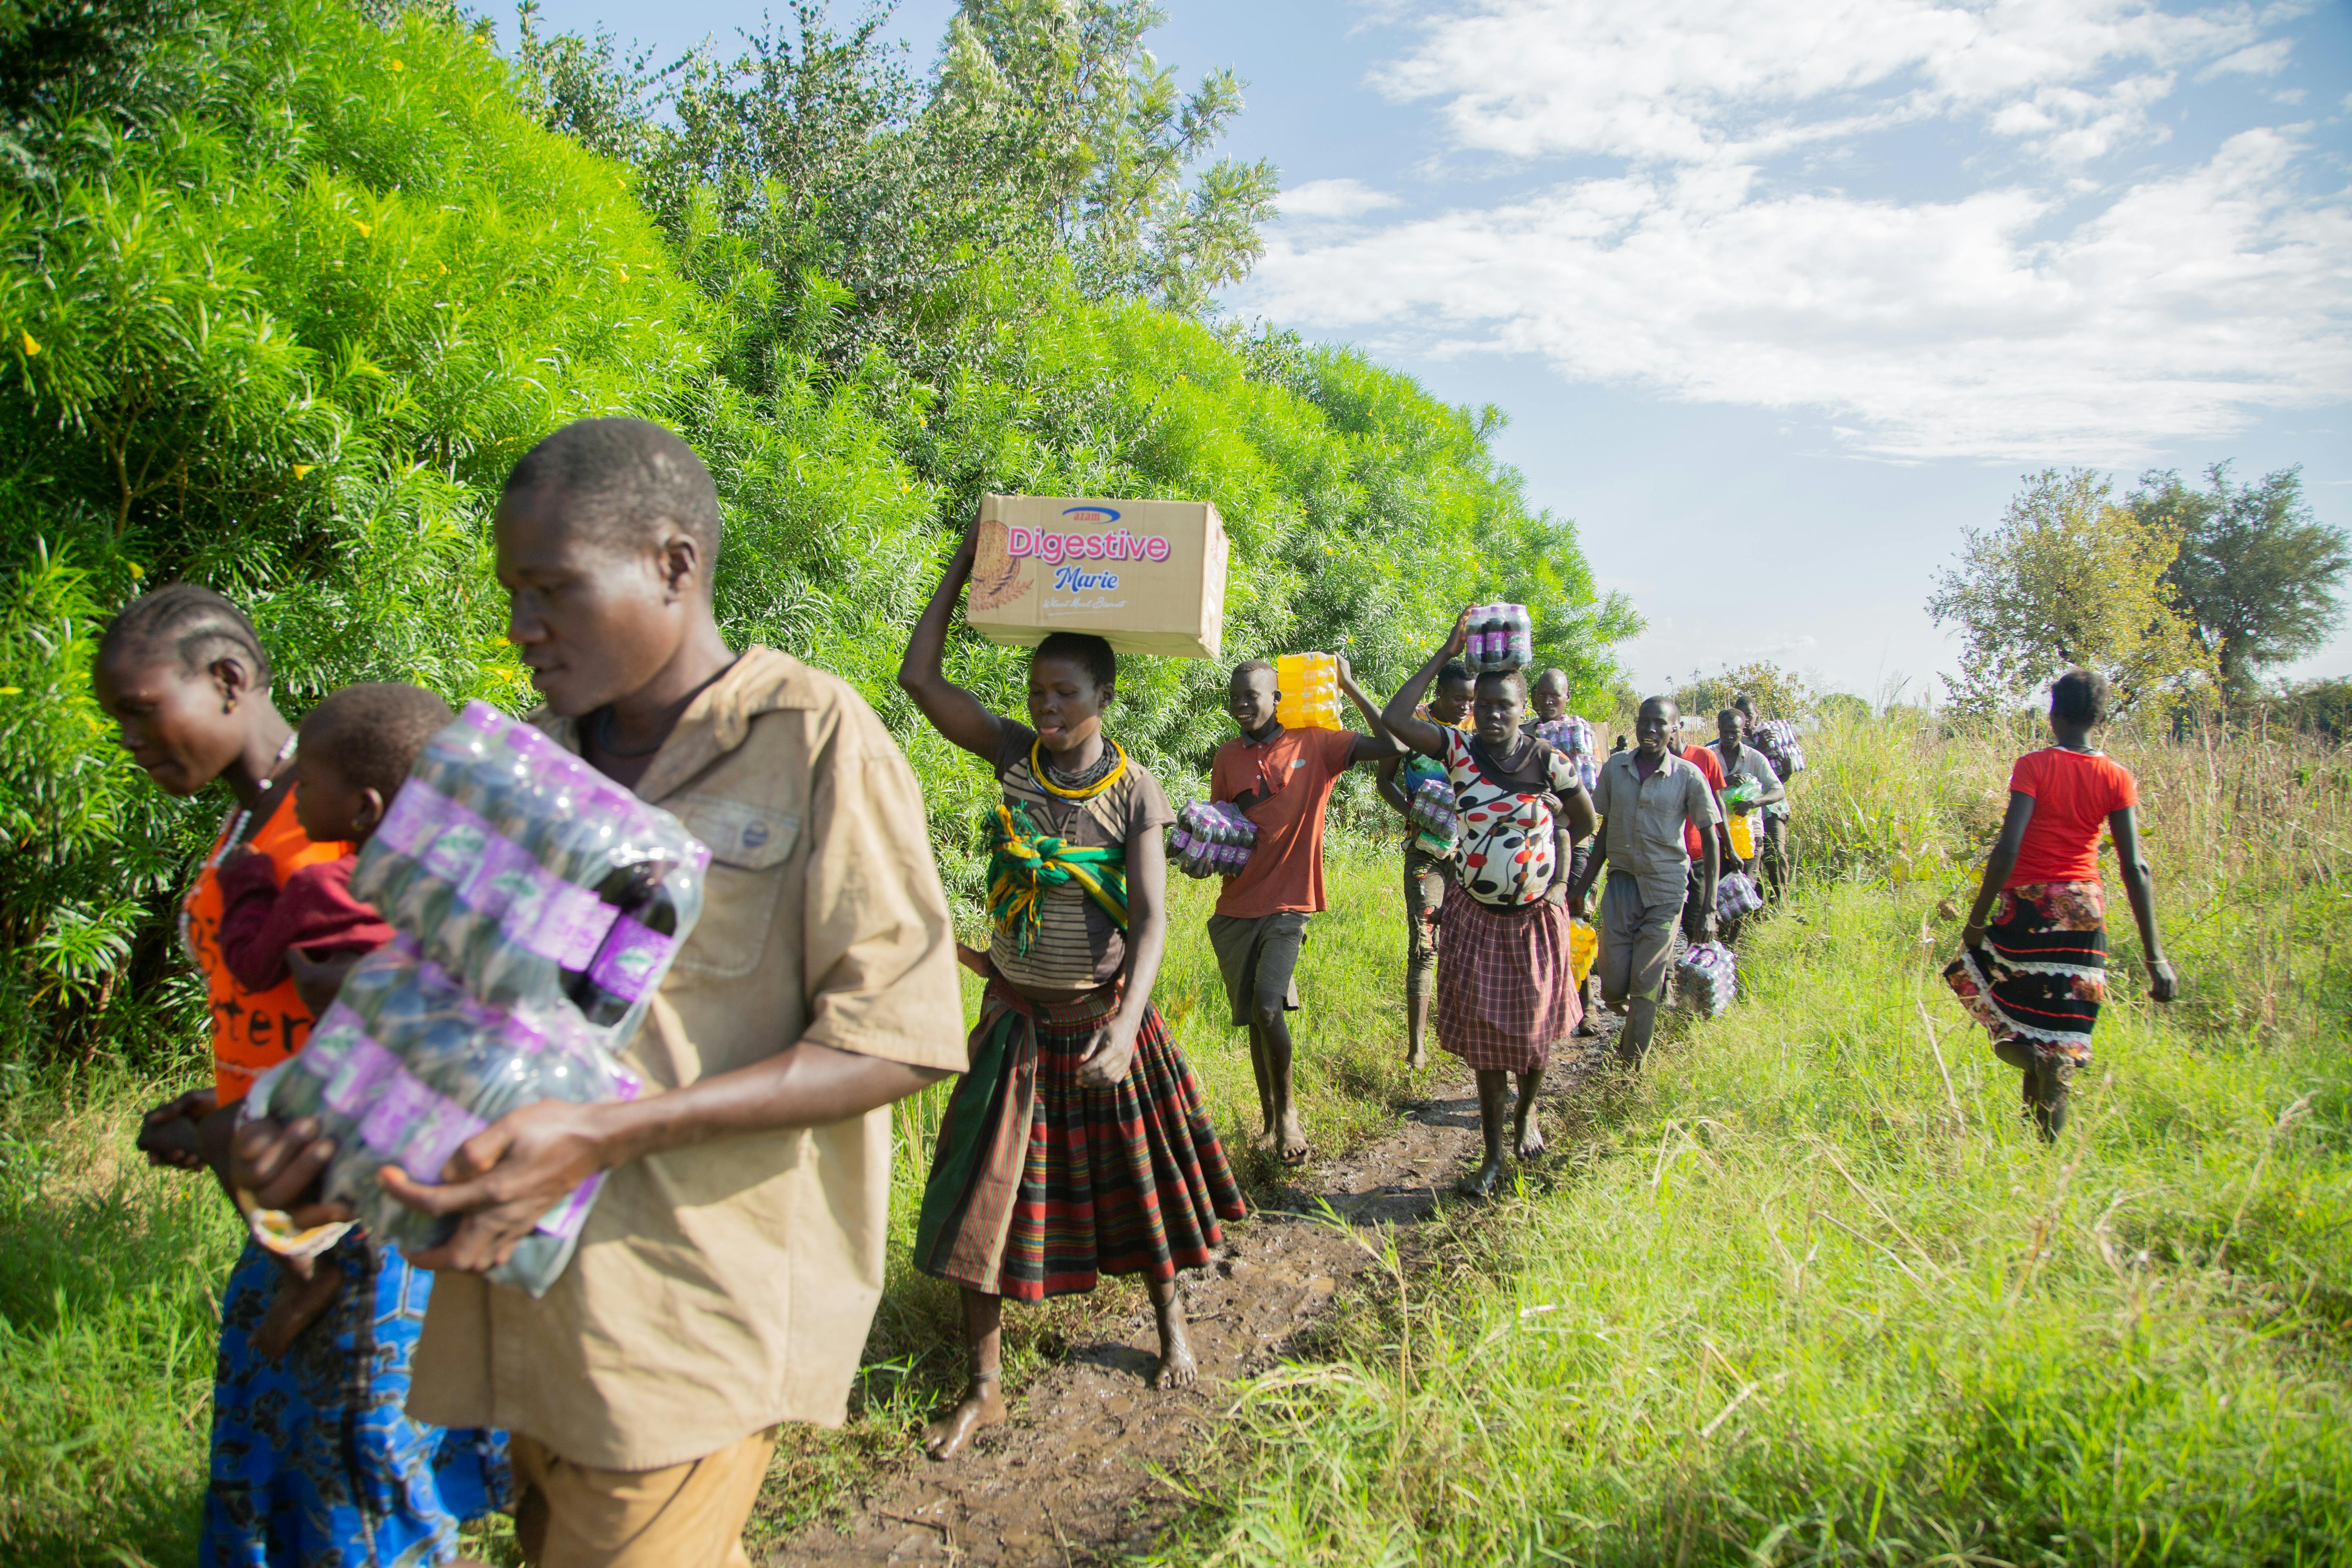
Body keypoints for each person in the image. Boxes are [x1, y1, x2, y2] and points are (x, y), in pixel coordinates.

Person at [233, 418, 967, 1568]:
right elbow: (448, 1018)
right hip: (514, 1320)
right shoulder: (524, 770)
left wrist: (603, 1136)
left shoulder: (818, 741)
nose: (524, 626)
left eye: (553, 589)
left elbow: (902, 1040)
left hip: (677, 1322)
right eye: (512, 592)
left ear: (674, 563)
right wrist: (320, 1136)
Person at [95, 586, 508, 1568]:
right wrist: (217, 1118)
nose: (130, 740)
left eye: (143, 709)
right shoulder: (252, 829)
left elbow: (438, 1019)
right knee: (286, 1481)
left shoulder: (352, 816)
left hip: (370, 1207)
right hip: (284, 1194)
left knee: (363, 1491)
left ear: (229, 681)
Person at [896, 523, 1246, 1462]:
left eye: (1063, 692)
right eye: (1035, 690)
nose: (1043, 705)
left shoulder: (1135, 792)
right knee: (978, 1194)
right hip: (1013, 1018)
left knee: (1137, 1189)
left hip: (1100, 1022)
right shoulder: (1013, 756)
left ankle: (1169, 1322)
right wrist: (961, 565)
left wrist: (1129, 1026)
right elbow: (920, 683)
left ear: (1104, 696)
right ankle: (985, 1387)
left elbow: (1150, 920)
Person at [215, 680, 454, 1356]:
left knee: (229, 1128)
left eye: (307, 787)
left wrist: (249, 883)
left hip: (340, 1086)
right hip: (427, 1097)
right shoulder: (446, 885)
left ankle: (304, 1273)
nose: (294, 799)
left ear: (362, 809)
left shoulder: (322, 887)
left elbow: (252, 965)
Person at [1381, 612, 1598, 1198]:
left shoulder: (1548, 762)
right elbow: (1395, 720)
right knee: (1483, 1046)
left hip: (1533, 921)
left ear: (1524, 709)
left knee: (1531, 1037)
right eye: (1487, 705)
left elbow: (1585, 820)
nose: (1496, 715)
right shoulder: (1456, 749)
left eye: (1507, 706)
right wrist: (1446, 647)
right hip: (1476, 915)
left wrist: (1557, 884)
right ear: (1474, 706)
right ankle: (1494, 1154)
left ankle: (1528, 1113)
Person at [1944, 668, 2176, 1142]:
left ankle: (2032, 1060)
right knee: (2060, 1039)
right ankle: (2043, 1151)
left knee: (1979, 985)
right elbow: (2135, 868)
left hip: (2030, 907)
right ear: (2100, 716)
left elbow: (2008, 849)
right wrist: (2156, 957)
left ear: (2053, 713)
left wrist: (1976, 920)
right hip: (2084, 911)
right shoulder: (2116, 777)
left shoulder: (2034, 766)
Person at [1208, 655, 1398, 1162]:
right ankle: (1269, 1121)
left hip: (1291, 902)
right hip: (1237, 903)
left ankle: (1290, 1115)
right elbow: (1226, 827)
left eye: (1254, 695)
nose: (1243, 704)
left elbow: (1395, 745)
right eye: (1237, 696)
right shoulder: (1227, 756)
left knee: (1269, 1006)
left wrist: (1351, 685)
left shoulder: (1316, 744)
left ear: (1278, 700)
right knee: (1253, 1015)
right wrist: (1199, 850)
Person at [1571, 697, 1719, 1067]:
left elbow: (1711, 838)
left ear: (1675, 729)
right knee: (1614, 984)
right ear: (1636, 725)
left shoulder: (1688, 776)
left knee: (1646, 983)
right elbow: (1604, 831)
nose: (1651, 730)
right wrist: (1585, 885)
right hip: (1622, 885)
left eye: (1660, 724)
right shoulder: (1616, 769)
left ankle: (1630, 1068)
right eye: (1645, 722)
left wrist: (1709, 907)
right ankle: (1638, 1010)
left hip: (1666, 889)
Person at [1375, 658, 1476, 1069]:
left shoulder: (1480, 730)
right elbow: (1384, 780)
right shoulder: (1415, 725)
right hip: (1426, 852)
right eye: (1458, 698)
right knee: (1425, 942)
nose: (1466, 707)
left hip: (1473, 855)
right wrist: (1413, 814)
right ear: (1439, 695)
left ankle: (1460, 1030)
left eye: (1471, 700)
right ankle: (1416, 1046)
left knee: (1466, 943)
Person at [1526, 666, 1603, 1031]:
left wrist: (1562, 809)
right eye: (1540, 695)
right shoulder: (1527, 733)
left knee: (1574, 920)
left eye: (1554, 696)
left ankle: (1586, 1007)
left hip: (1576, 841)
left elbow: (1589, 801)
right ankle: (1548, 1007)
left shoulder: (1578, 734)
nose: (1546, 702)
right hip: (1536, 843)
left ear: (1567, 698)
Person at [1708, 706, 1784, 944]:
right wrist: (1723, 782)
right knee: (1717, 887)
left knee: (1743, 887)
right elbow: (1695, 788)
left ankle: (1733, 942)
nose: (1730, 737)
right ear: (1719, 730)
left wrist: (1755, 802)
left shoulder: (1755, 758)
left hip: (1750, 834)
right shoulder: (1709, 755)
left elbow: (1779, 789)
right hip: (1718, 833)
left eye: (1736, 732)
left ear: (1744, 731)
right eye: (1726, 731)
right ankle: (1716, 940)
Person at [1666, 712, 1730, 947]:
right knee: (1666, 925)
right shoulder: (1651, 763)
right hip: (1668, 858)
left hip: (1698, 854)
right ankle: (1669, 980)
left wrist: (1729, 847)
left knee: (1697, 922)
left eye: (1670, 726)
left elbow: (1718, 804)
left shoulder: (1704, 757)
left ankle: (1700, 975)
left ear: (1679, 726)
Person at [1733, 693, 1795, 897]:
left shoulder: (1770, 734)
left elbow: (1776, 782)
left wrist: (1788, 770)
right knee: (1754, 856)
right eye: (1742, 715)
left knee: (1776, 852)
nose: (1747, 719)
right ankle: (1758, 905)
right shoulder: (1734, 741)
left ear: (1757, 714)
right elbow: (1743, 777)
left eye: (1750, 714)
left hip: (1773, 807)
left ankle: (1781, 901)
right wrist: (1760, 749)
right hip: (1747, 812)